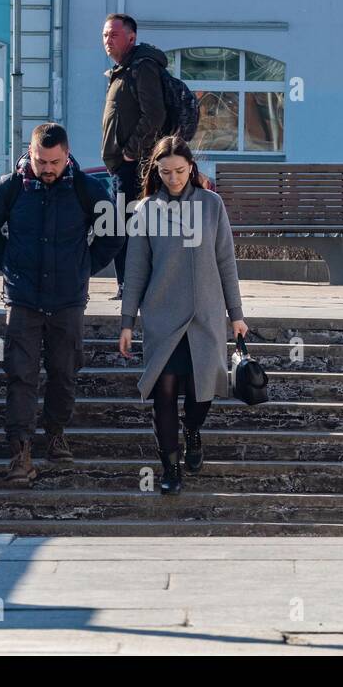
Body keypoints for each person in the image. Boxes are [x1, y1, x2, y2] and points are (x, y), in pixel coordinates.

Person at [0, 124, 122, 486]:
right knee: (21, 376)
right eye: (41, 161)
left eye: (55, 161)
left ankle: (55, 434)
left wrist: (83, 267)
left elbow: (113, 233)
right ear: (31, 152)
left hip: (68, 299)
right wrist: (9, 265)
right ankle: (20, 452)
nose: (47, 168)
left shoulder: (88, 189)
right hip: (23, 299)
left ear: (67, 155)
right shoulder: (9, 187)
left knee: (64, 372)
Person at [118, 136, 247, 495]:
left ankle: (192, 429)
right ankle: (170, 466)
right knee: (165, 391)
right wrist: (127, 321)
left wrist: (236, 314)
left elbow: (226, 262)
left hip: (205, 315)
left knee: (201, 392)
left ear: (191, 167)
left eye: (178, 170)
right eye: (164, 172)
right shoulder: (145, 210)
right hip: (162, 317)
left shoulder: (211, 205)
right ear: (155, 172)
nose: (172, 178)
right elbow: (136, 269)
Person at [100, 13, 168, 300]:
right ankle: (127, 285)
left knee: (124, 227)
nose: (107, 40)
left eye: (114, 35)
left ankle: (130, 286)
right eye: (105, 35)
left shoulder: (142, 67)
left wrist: (130, 152)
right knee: (123, 226)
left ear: (131, 38)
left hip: (134, 167)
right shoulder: (121, 70)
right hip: (121, 166)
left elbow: (155, 114)